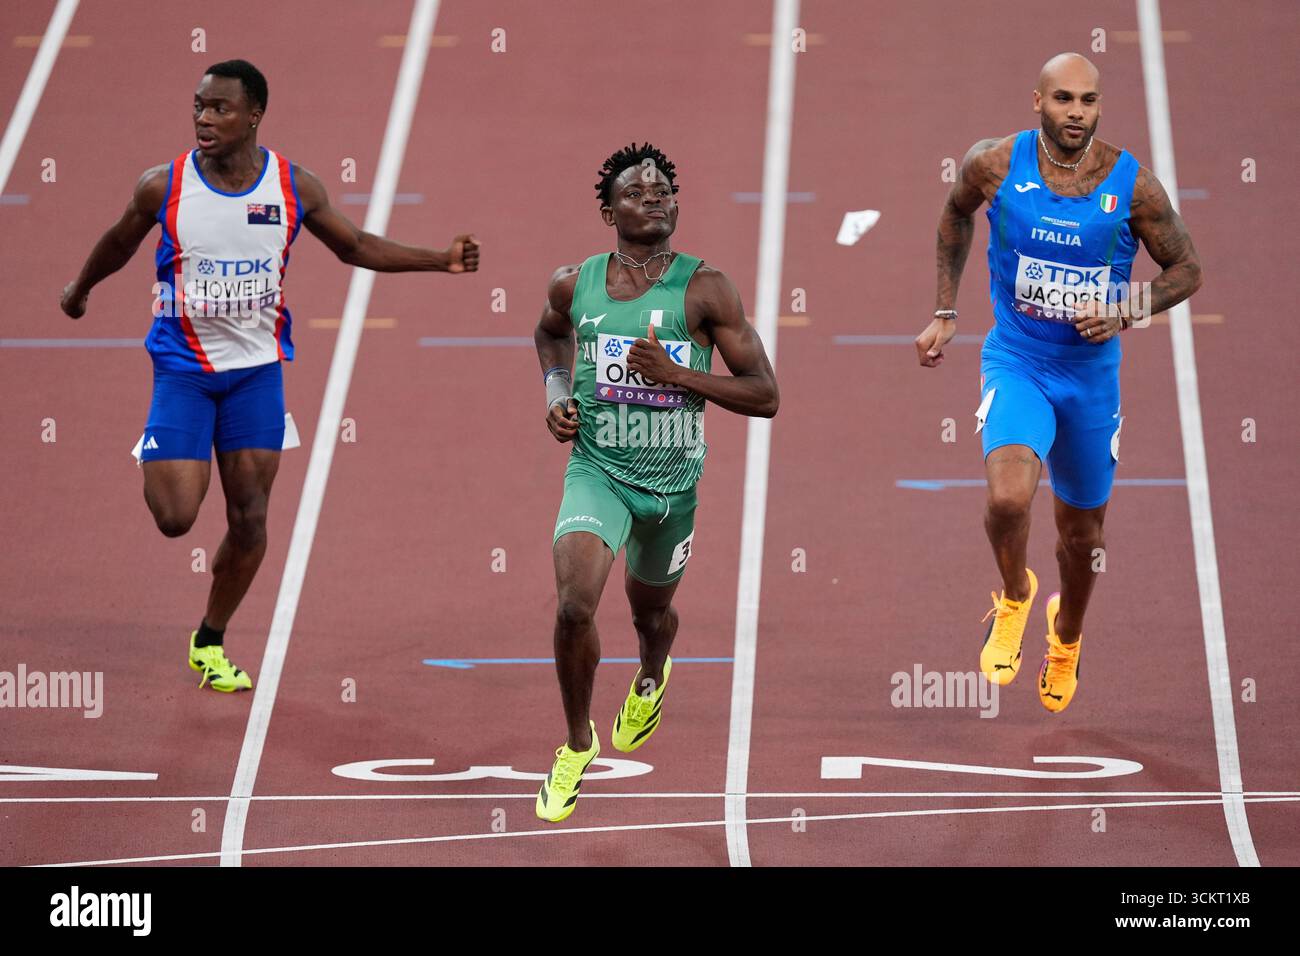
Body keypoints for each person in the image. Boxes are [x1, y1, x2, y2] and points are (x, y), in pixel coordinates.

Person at [60, 59, 479, 692]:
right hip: (183, 370)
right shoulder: (163, 186)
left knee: (251, 517)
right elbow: (119, 242)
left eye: (220, 108)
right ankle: (163, 445)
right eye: (198, 106)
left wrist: (439, 262)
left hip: (256, 374)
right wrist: (79, 288)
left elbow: (356, 246)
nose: (204, 118)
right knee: (175, 517)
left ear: (254, 115)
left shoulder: (293, 187)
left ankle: (209, 639)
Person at [914, 53, 1201, 713]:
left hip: (1089, 378)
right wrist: (945, 311)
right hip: (1017, 358)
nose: (1078, 113)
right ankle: (1014, 596)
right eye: (1065, 99)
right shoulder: (993, 163)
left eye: (1090, 101)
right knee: (1010, 500)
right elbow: (955, 216)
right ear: (1037, 101)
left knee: (1084, 537)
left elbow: (1187, 269)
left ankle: (1066, 635)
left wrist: (1128, 308)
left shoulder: (1132, 186)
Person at [532, 143, 779, 821]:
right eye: (636, 191)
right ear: (608, 208)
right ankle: (578, 744)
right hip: (597, 472)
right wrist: (557, 393)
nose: (653, 197)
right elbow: (550, 335)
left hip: (670, 491)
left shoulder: (707, 289)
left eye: (662, 189)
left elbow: (765, 394)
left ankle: (650, 675)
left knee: (651, 616)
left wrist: (677, 376)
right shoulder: (572, 283)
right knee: (574, 605)